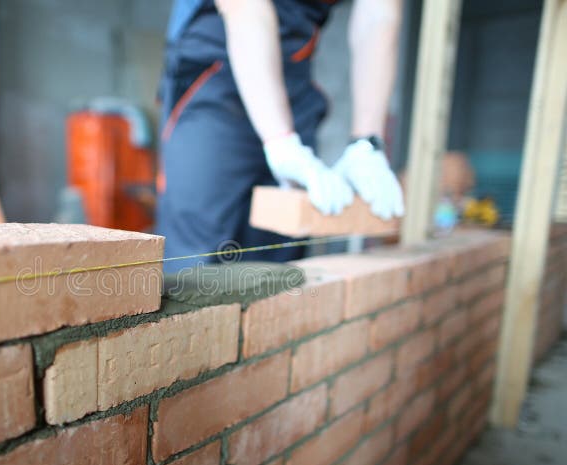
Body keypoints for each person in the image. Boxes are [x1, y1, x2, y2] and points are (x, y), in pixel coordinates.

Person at [156, 0, 405, 272]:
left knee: (280, 251)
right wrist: (281, 141)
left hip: (294, 68)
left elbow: (379, 13)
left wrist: (366, 142)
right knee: (196, 254)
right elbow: (244, 8)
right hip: (214, 61)